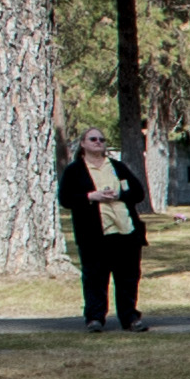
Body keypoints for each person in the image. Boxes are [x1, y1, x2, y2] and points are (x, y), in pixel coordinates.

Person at [57, 127, 152, 333]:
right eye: (93, 139)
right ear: (83, 143)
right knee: (95, 278)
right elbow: (65, 199)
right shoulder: (75, 170)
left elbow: (138, 193)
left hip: (125, 231)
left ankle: (130, 318)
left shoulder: (117, 167)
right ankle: (95, 319)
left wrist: (118, 195)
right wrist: (91, 197)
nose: (98, 142)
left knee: (128, 277)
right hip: (94, 234)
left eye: (101, 139)